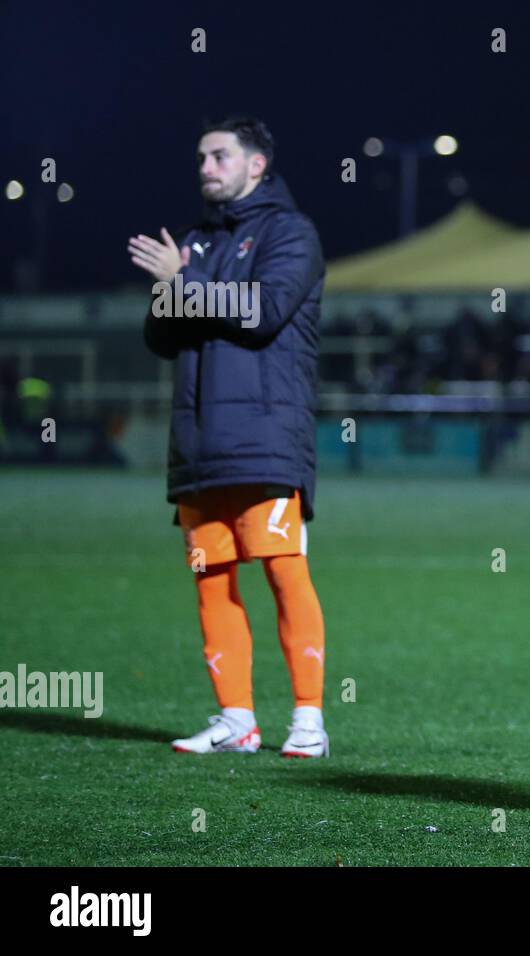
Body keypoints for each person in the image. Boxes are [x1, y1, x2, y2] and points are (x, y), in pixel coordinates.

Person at [129, 116, 328, 757]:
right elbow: (161, 339)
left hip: (267, 437)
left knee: (282, 572)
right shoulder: (190, 242)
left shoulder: (291, 233)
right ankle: (236, 720)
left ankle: (309, 720)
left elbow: (263, 311)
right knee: (210, 578)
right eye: (201, 158)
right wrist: (170, 286)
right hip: (198, 443)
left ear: (256, 165)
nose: (206, 168)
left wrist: (183, 283)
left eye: (219, 156)